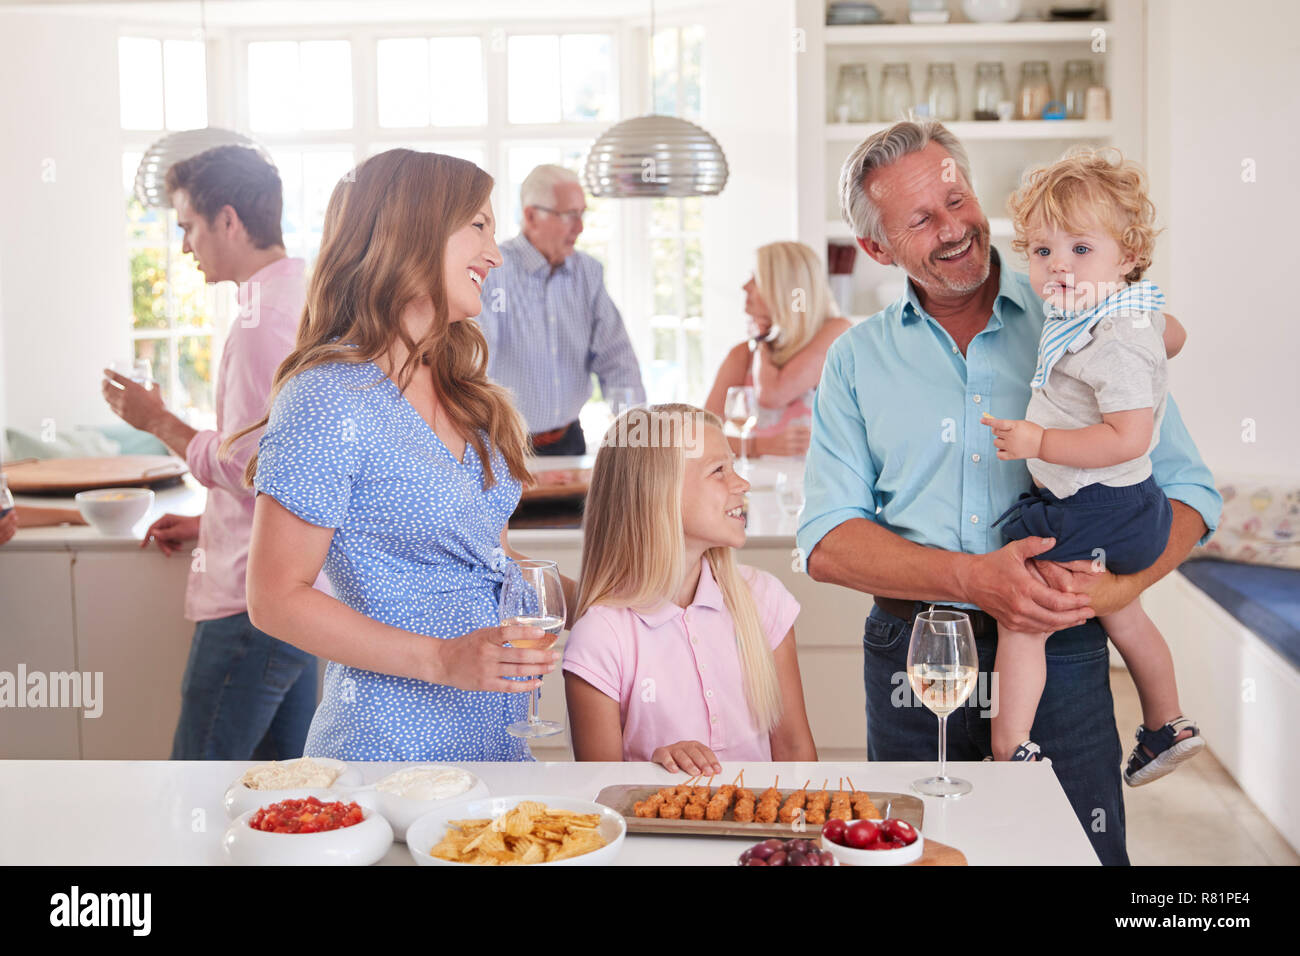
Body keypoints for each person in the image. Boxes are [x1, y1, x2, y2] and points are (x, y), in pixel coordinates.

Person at [795, 120, 1220, 865]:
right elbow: (827, 542)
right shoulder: (855, 360)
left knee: (1072, 857)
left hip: (1067, 647)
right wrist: (973, 580)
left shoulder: (1087, 316)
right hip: (913, 655)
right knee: (911, 858)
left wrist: (1118, 593)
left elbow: (1188, 494)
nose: (954, 228)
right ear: (877, 248)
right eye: (921, 219)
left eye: (956, 199)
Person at [233, 149, 574, 761]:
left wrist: (603, 596)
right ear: (408, 229)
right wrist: (443, 659)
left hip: (494, 747)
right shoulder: (327, 397)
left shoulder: (462, 389)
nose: (495, 254)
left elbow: (480, 556)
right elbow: (275, 598)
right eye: (478, 225)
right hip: (387, 754)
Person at [981, 147, 1205, 784]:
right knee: (1123, 613)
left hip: (1096, 502)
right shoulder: (1115, 313)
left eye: (1081, 249)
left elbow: (1130, 437)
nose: (1059, 267)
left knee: (1023, 614)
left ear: (1127, 257)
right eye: (1044, 251)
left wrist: (1038, 442)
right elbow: (1177, 335)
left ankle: (1010, 747)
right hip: (1127, 509)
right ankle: (1168, 724)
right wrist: (1149, 325)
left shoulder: (1111, 337)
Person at [100, 144, 318, 760]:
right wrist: (208, 524)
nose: (185, 247)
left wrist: (158, 421)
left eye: (188, 227)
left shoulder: (259, 322)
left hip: (250, 608)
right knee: (286, 796)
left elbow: (260, 466)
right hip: (298, 592)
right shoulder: (303, 295)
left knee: (193, 785)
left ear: (228, 219)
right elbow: (296, 467)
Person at [564, 404, 818, 773]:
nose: (741, 484)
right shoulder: (602, 634)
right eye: (719, 471)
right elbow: (601, 795)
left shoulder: (763, 598)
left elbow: (795, 752)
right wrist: (653, 767)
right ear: (658, 493)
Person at [474, 165, 645, 456]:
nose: (579, 227)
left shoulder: (588, 273)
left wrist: (638, 436)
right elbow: (477, 363)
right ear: (530, 216)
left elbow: (616, 360)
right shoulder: (493, 272)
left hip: (569, 441)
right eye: (569, 215)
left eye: (582, 214)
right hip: (503, 444)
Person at [704, 242, 852, 458]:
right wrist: (758, 446)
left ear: (785, 290)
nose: (745, 287)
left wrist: (762, 340)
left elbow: (772, 394)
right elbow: (698, 437)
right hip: (758, 487)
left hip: (821, 487)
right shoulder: (743, 355)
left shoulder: (838, 333)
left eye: (756, 279)